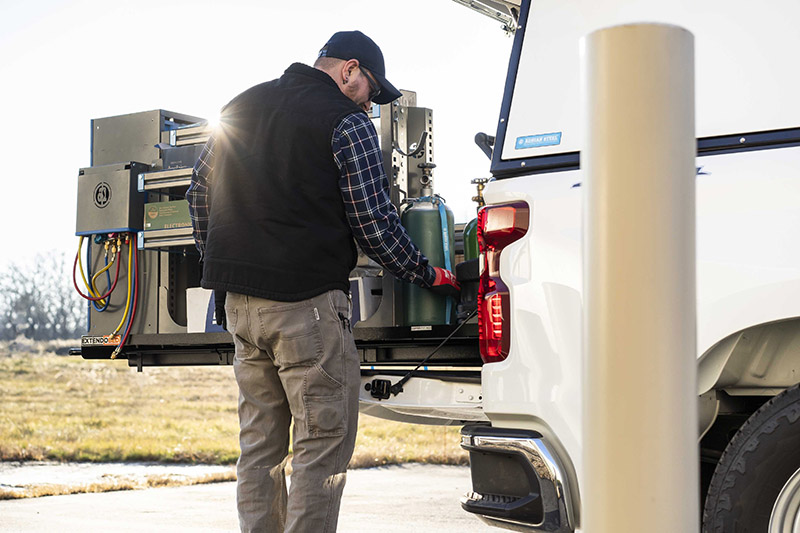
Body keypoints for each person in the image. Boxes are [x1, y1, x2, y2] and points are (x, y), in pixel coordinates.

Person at [186, 30, 460, 533]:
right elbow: (374, 224)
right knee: (320, 447)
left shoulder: (242, 104)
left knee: (260, 448)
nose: (370, 105)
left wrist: (220, 262)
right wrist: (428, 273)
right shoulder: (345, 121)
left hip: (240, 308)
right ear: (349, 70)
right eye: (370, 91)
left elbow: (196, 190)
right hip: (305, 308)